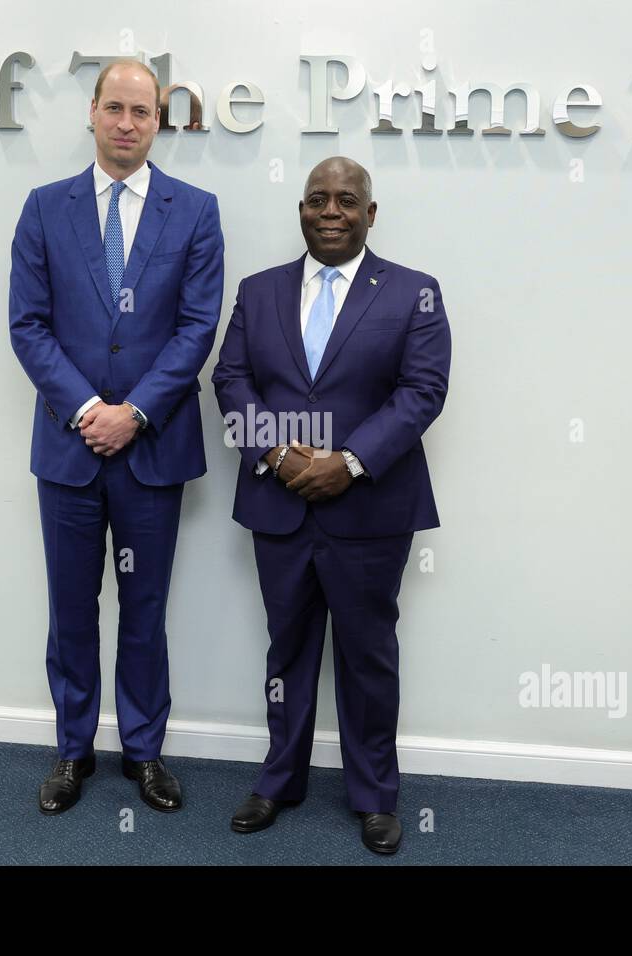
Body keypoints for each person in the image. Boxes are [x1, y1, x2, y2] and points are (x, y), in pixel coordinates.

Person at [211, 157, 450, 854]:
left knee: (368, 654)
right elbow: (230, 378)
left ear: (370, 213)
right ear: (302, 211)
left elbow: (421, 392)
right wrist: (276, 455)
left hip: (370, 510)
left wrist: (348, 463)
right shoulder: (258, 293)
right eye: (318, 199)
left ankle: (374, 794)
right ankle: (279, 779)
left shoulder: (414, 293)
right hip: (277, 501)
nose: (331, 210)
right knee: (286, 652)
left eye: (347, 200)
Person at [9, 59, 224, 816]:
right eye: (114, 109)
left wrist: (132, 413)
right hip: (69, 451)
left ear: (159, 121)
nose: (127, 123)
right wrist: (85, 411)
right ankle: (73, 752)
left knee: (146, 606)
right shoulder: (44, 208)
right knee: (70, 609)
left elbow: (198, 328)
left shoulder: (194, 210)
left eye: (142, 111)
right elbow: (27, 327)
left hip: (152, 448)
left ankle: (144, 751)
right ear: (91, 114)